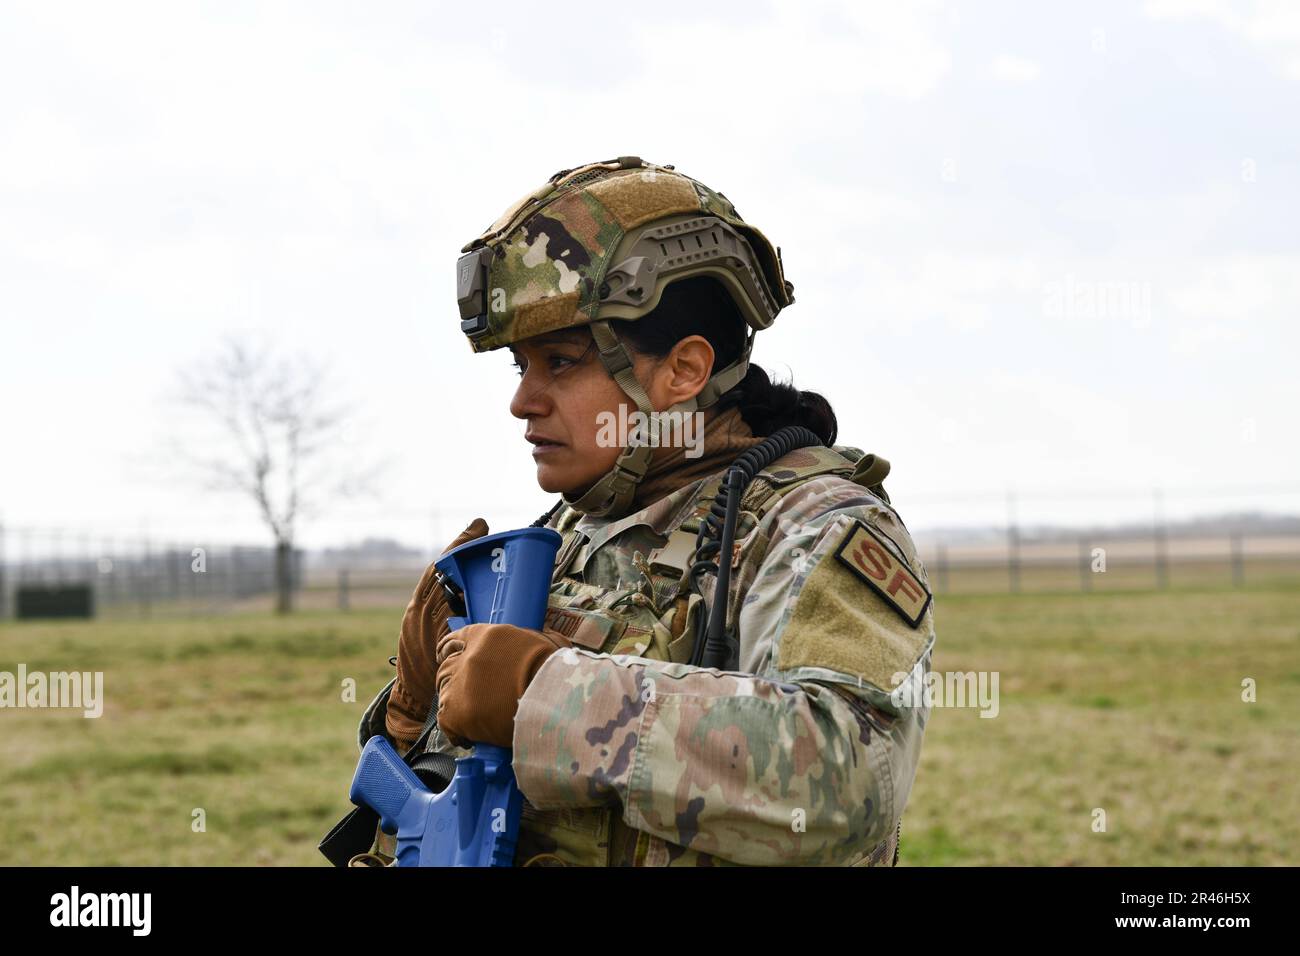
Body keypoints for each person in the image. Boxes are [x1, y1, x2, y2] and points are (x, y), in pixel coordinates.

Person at [358, 156, 935, 867]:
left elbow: (853, 774)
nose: (523, 400)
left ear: (683, 370)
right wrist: (412, 716)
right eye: (520, 366)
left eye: (561, 362)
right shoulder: (568, 535)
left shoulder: (813, 526)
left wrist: (546, 696)